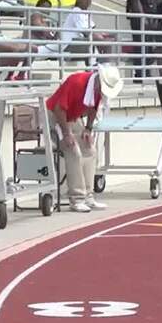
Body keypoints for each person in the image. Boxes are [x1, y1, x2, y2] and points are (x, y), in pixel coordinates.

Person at [45, 65, 124, 213]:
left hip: (72, 117)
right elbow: (58, 109)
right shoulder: (76, 82)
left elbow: (94, 108)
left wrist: (88, 128)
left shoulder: (97, 89)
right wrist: (67, 134)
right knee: (73, 150)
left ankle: (88, 195)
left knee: (90, 149)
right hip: (54, 116)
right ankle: (77, 198)